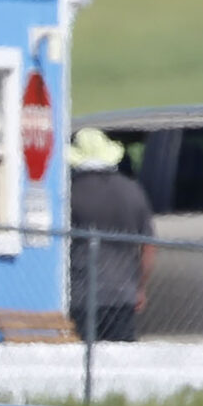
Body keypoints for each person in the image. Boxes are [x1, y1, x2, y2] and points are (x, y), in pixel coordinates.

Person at [65, 127, 156, 342]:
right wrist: (140, 287)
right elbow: (149, 248)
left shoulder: (69, 194)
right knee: (120, 356)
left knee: (83, 354)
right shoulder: (133, 191)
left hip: (80, 295)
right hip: (122, 295)